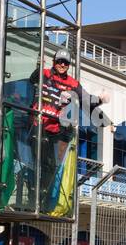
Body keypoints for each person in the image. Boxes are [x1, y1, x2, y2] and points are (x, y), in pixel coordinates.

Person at [28, 50, 107, 211]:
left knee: (51, 166)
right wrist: (38, 65)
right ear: (54, 62)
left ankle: (41, 202)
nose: (62, 65)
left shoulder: (72, 83)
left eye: (65, 63)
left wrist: (100, 100)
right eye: (59, 61)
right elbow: (32, 79)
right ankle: (31, 201)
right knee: (37, 163)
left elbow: (86, 100)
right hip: (38, 125)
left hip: (55, 129)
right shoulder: (44, 74)